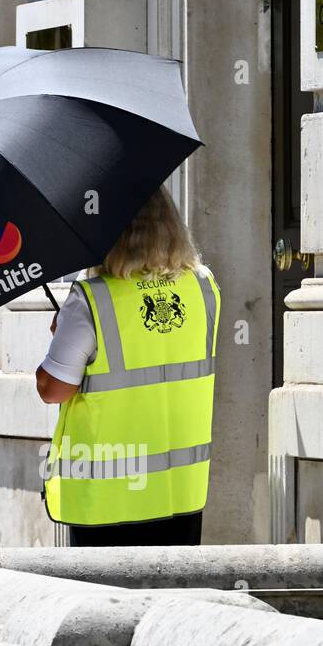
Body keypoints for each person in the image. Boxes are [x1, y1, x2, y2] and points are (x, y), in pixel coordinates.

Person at [36, 185, 220, 548]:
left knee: (106, 603)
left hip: (109, 500)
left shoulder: (92, 298)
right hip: (180, 493)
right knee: (174, 601)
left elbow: (52, 389)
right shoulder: (203, 288)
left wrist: (60, 338)